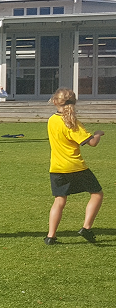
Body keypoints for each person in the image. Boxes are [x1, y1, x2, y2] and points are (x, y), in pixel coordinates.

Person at [44, 88, 105, 245]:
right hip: (76, 166)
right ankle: (86, 227)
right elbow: (92, 142)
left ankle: (51, 236)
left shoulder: (52, 120)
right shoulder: (72, 122)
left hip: (57, 167)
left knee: (59, 200)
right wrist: (97, 133)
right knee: (97, 193)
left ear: (55, 101)